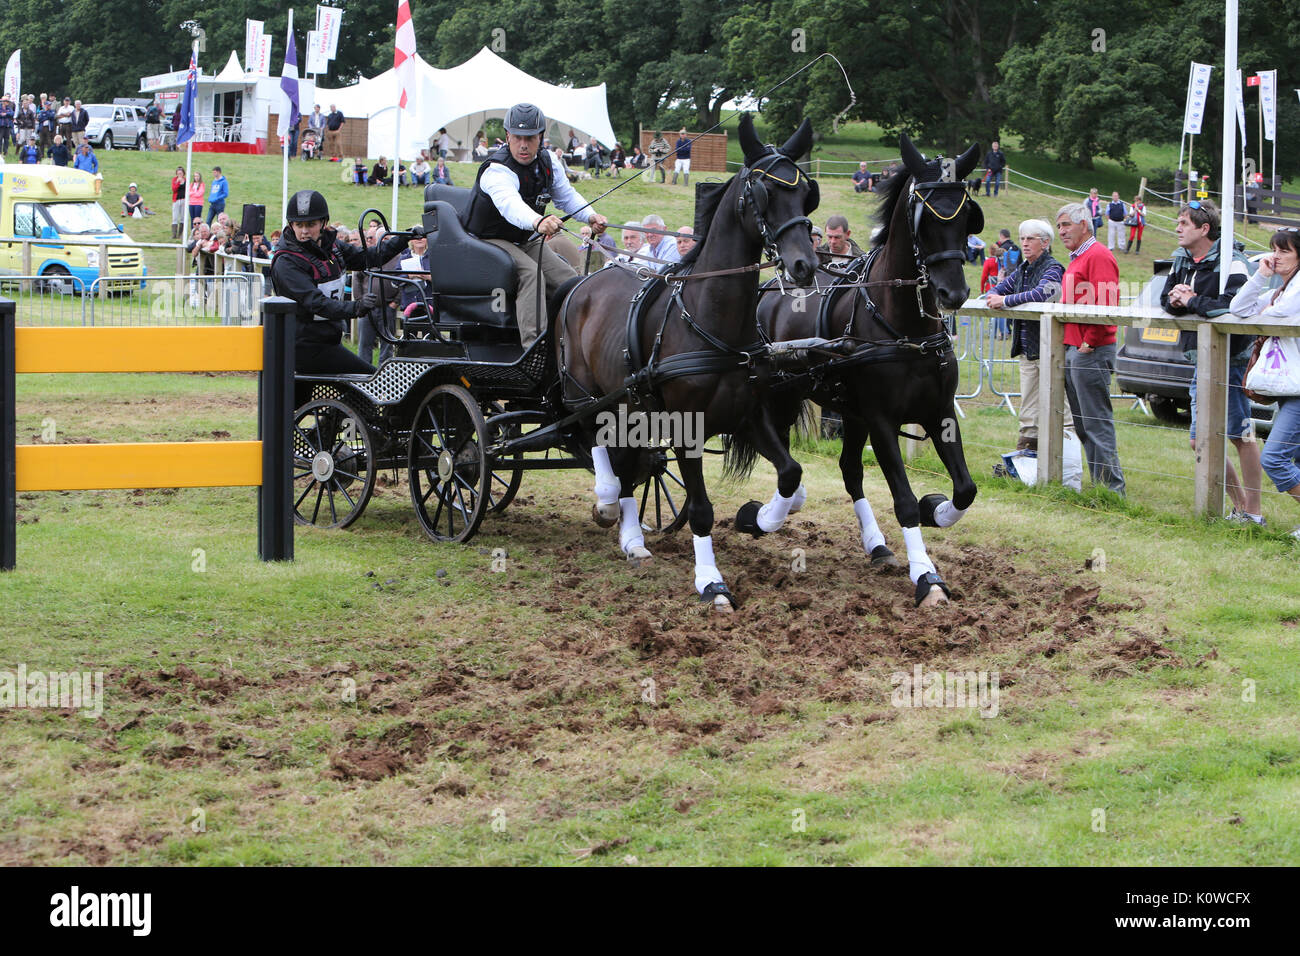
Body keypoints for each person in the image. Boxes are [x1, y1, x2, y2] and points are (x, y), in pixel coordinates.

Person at [462, 104, 606, 349]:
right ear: (507, 137)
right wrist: (538, 221)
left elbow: (565, 196)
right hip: (485, 241)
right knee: (531, 274)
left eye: (530, 138)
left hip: (525, 240)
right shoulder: (496, 170)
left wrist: (590, 217)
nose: (523, 145)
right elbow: (510, 205)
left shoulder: (548, 161)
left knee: (570, 281)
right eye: (517, 138)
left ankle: (578, 344)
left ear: (541, 137)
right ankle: (535, 350)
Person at [1160, 199, 1259, 524]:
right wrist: (1179, 300)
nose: (1177, 227)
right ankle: (1240, 505)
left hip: (1230, 357)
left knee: (1239, 435)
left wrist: (1191, 300)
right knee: (1197, 439)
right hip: (1201, 356)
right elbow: (1166, 299)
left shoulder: (1233, 260)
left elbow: (1233, 306)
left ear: (1205, 228)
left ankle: (1253, 512)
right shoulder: (1182, 259)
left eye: (1184, 223)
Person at [270, 189, 412, 375]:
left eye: (310, 224)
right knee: (371, 379)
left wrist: (404, 238)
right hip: (303, 347)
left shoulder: (332, 247)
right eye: (299, 225)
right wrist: (356, 308)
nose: (304, 231)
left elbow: (365, 259)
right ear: (291, 225)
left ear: (323, 223)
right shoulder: (286, 262)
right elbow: (316, 303)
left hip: (327, 342)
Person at [1228, 228, 1300, 537]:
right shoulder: (1279, 290)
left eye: (1284, 251)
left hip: (1296, 388)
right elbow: (1238, 309)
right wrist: (1260, 276)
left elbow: (1282, 314)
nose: (1276, 256)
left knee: (1274, 457)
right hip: (1288, 386)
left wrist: (1269, 310)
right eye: (1274, 249)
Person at [1056, 202, 1124, 495]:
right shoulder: (1078, 257)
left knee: (1096, 423)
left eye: (1066, 225)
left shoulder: (1098, 255)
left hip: (1090, 350)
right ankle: (1100, 488)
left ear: (1084, 224)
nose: (1061, 231)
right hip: (1076, 348)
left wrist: (1089, 342)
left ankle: (1111, 491)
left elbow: (1106, 304)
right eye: (1058, 226)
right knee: (1084, 426)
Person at [986, 219, 1070, 451]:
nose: (1024, 243)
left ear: (1045, 243)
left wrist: (1005, 301)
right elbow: (997, 289)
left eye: (1030, 239)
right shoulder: (1022, 269)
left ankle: (1065, 463)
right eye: (1023, 238)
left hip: (1050, 350)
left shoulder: (1053, 268)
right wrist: (994, 295)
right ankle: (1025, 460)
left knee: (1060, 408)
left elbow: (1042, 294)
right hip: (1027, 351)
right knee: (1029, 411)